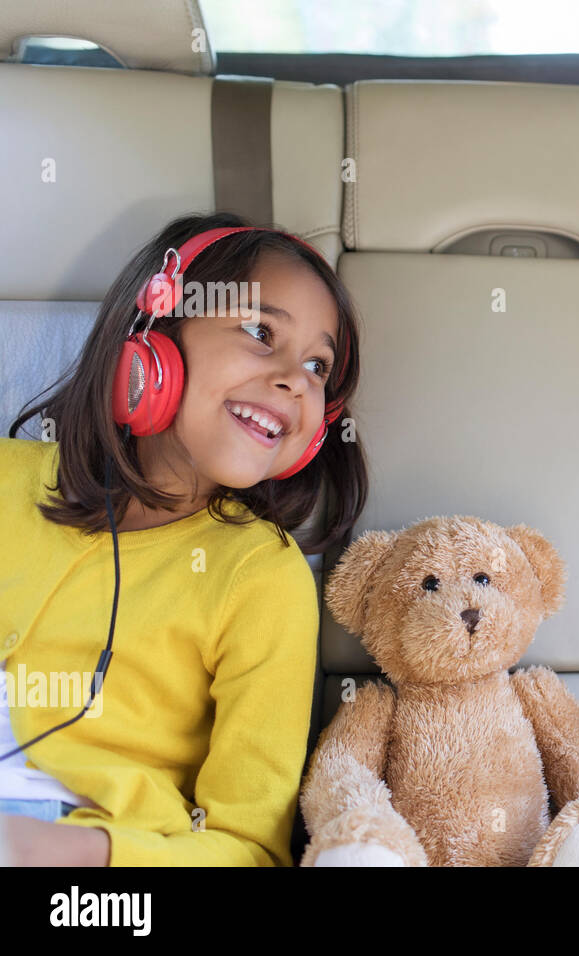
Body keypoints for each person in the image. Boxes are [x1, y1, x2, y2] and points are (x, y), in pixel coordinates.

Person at [0, 211, 369, 865]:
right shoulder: (9, 478)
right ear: (152, 343)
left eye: (318, 365)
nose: (296, 380)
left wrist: (68, 854)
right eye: (261, 333)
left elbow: (250, 849)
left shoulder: (261, 577)